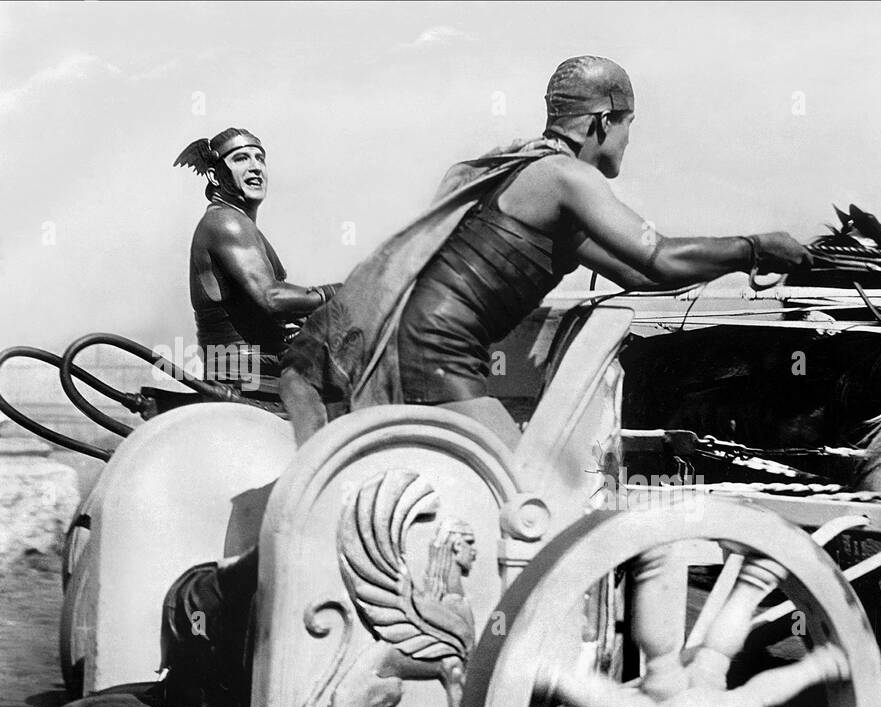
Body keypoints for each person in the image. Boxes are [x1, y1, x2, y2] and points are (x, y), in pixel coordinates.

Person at [280, 56, 811, 446]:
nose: (628, 142)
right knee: (525, 503)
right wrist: (754, 247)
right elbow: (660, 256)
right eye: (628, 127)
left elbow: (642, 276)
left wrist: (744, 260)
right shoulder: (565, 178)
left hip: (426, 343)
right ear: (604, 121)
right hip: (433, 350)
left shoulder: (531, 175)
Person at [174, 128, 341, 404]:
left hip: (254, 368)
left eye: (260, 159)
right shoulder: (226, 222)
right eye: (240, 159)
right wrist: (341, 292)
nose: (255, 167)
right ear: (215, 176)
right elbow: (271, 298)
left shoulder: (237, 223)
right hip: (247, 375)